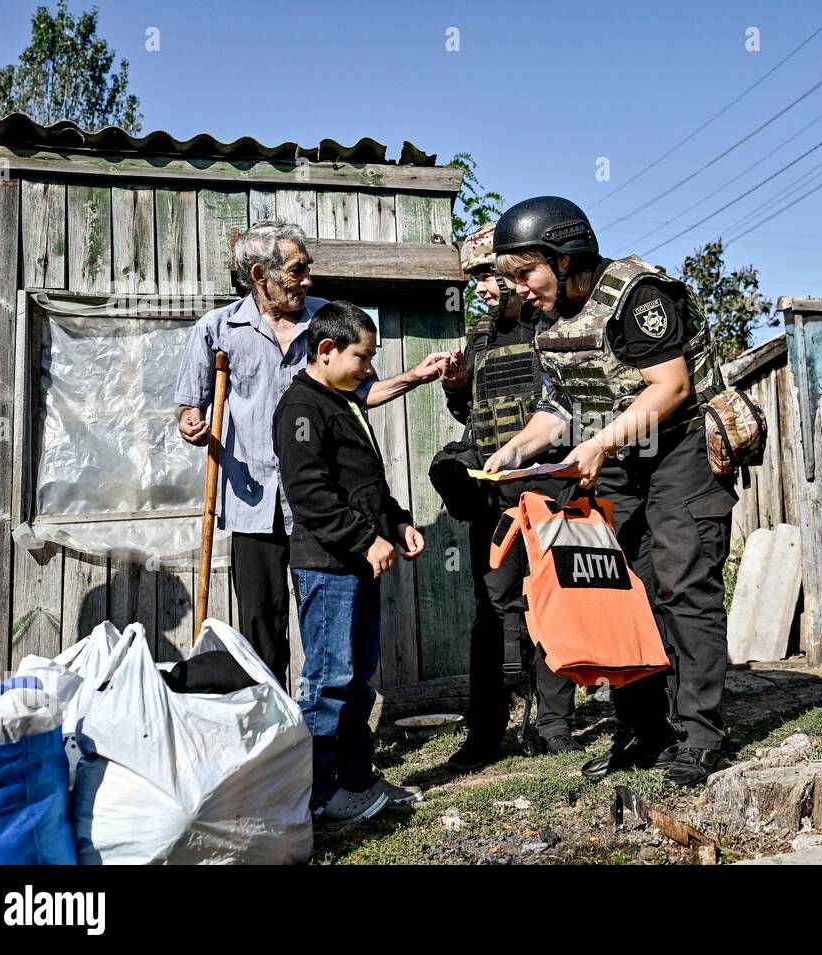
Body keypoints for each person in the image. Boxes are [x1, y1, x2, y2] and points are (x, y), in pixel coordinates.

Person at [485, 196, 737, 788]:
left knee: (683, 586)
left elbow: (670, 388)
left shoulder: (638, 298)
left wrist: (600, 446)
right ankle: (644, 732)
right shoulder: (546, 321)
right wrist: (517, 450)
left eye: (526, 273)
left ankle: (700, 735)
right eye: (511, 278)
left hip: (679, 451)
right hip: (620, 462)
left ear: (565, 257)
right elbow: (561, 409)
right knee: (618, 593)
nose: (520, 289)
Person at [174, 221, 450, 682]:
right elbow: (190, 404)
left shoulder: (327, 321)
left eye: (307, 269)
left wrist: (414, 377)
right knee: (261, 629)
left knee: (330, 630)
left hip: (321, 506)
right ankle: (274, 733)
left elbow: (364, 391)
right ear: (261, 276)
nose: (307, 280)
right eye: (296, 270)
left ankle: (328, 735)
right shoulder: (219, 329)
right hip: (253, 503)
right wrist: (190, 423)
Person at [273, 301, 426, 826]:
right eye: (363, 357)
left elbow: (365, 483)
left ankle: (358, 780)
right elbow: (310, 494)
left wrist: (398, 522)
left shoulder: (344, 401)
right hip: (327, 566)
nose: (369, 368)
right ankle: (319, 798)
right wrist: (365, 540)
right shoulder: (301, 407)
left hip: (358, 563)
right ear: (326, 350)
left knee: (359, 679)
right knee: (329, 681)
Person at [437, 221, 581, 772]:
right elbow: (469, 414)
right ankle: (485, 733)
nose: (483, 288)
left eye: (490, 276)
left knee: (553, 601)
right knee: (491, 613)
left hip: (548, 484)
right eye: (475, 278)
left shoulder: (551, 327)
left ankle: (555, 725)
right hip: (493, 491)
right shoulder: (479, 340)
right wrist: (455, 384)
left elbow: (571, 407)